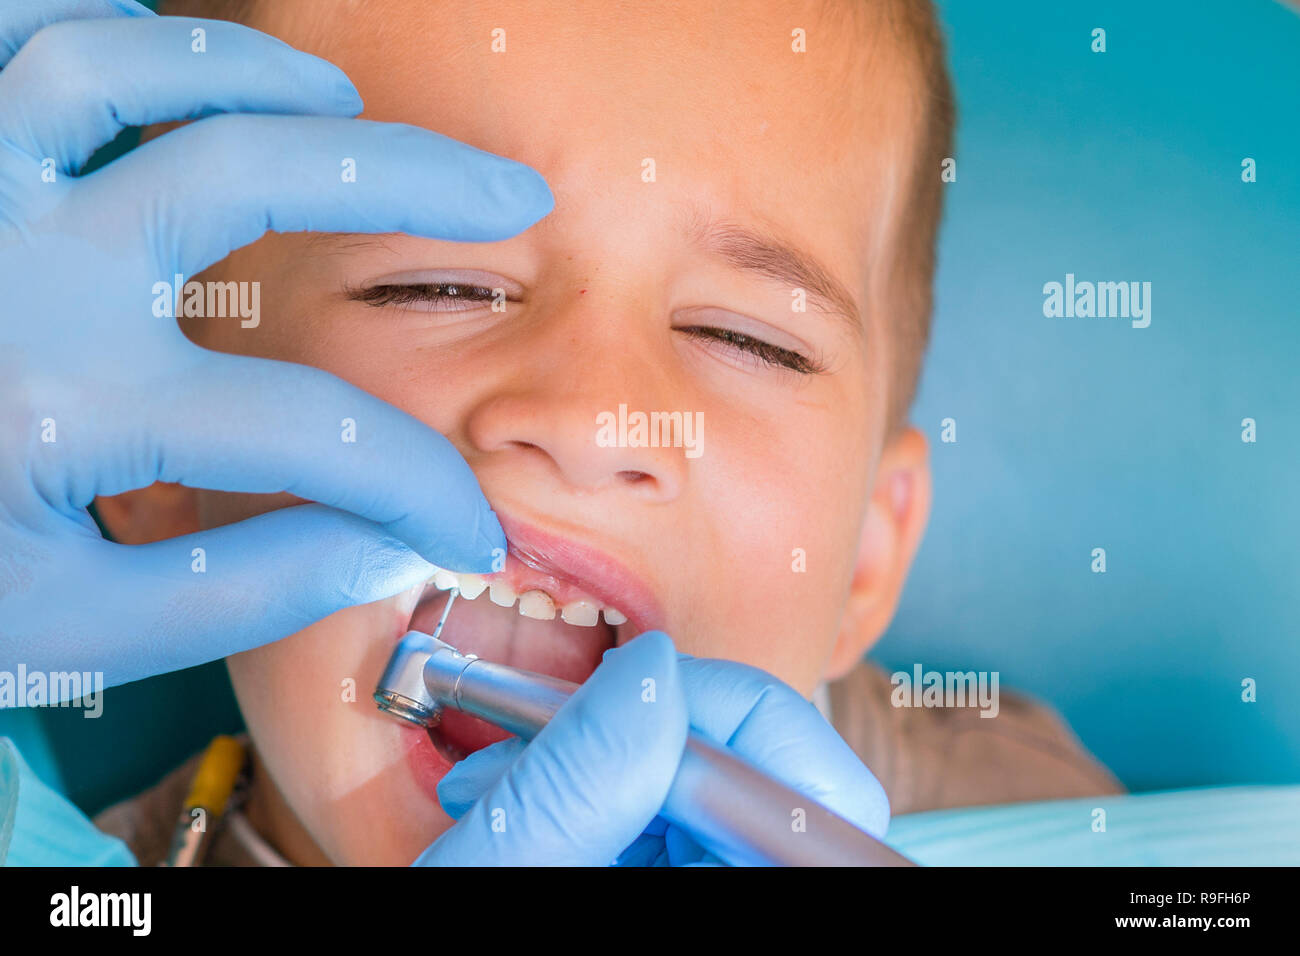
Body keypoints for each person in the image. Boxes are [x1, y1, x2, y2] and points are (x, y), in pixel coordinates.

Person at [3, 0, 1119, 867]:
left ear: (865, 560)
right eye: (434, 284)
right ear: (146, 455)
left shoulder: (1032, 811)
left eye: (749, 338)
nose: (594, 419)